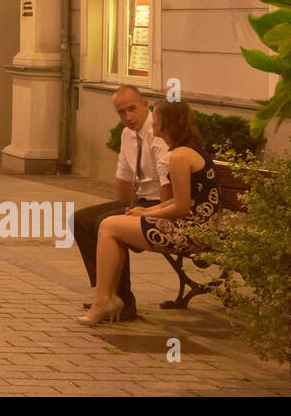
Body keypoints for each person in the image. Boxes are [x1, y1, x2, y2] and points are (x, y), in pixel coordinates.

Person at [79, 101, 220, 325]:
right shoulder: (186, 151)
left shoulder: (180, 157)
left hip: (192, 231)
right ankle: (109, 298)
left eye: (155, 117)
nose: (152, 121)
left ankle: (105, 300)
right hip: (191, 224)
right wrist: (147, 210)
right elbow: (182, 200)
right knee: (113, 223)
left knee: (108, 225)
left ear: (166, 124)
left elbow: (182, 207)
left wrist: (146, 216)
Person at [72, 85, 172, 322]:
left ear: (145, 105)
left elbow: (171, 184)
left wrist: (130, 214)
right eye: (121, 112)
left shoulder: (157, 134)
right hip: (141, 200)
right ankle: (106, 292)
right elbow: (124, 177)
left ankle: (123, 300)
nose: (128, 117)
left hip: (160, 203)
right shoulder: (127, 134)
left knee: (106, 223)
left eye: (132, 109)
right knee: (80, 219)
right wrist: (122, 207)